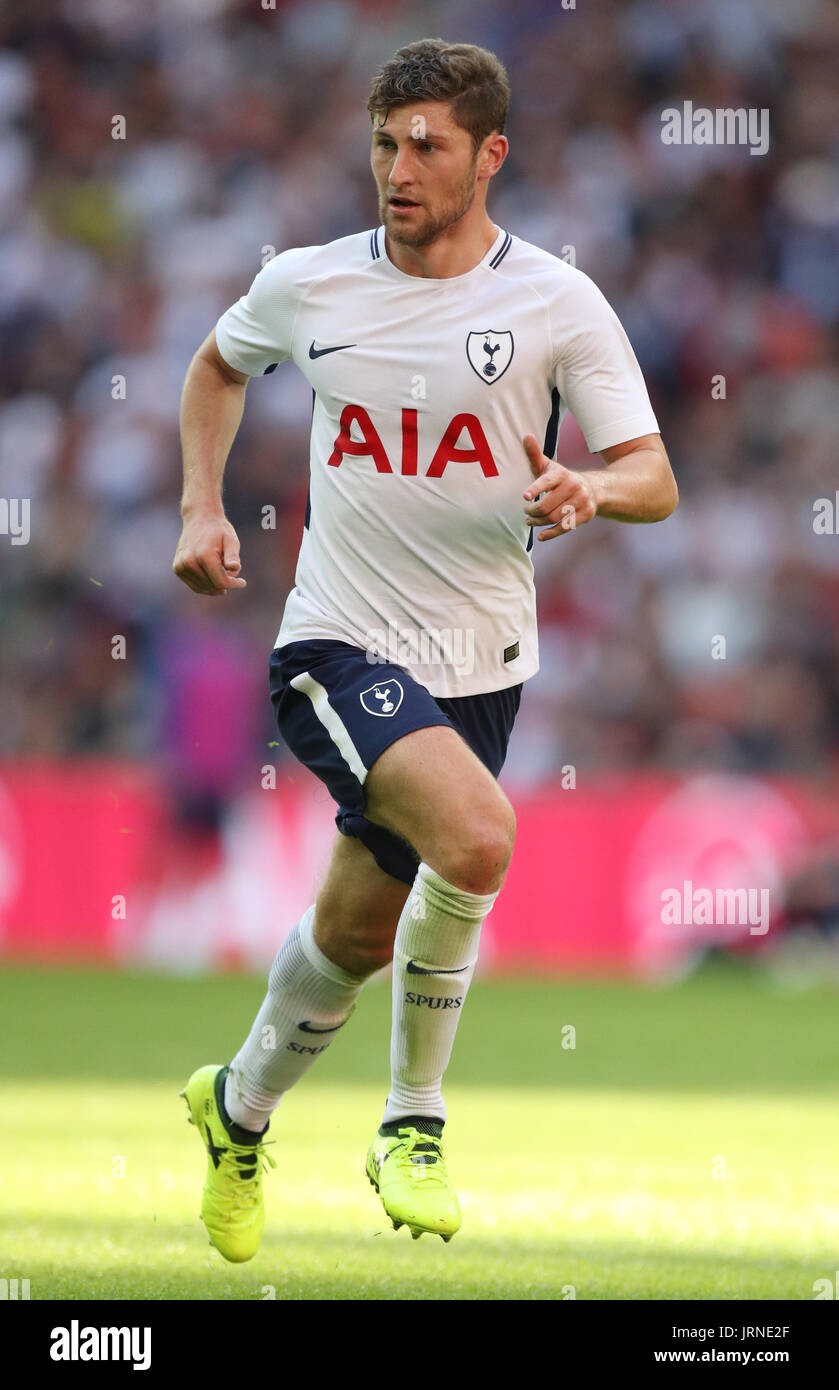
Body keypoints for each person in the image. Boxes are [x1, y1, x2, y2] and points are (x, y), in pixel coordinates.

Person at [173, 37, 678, 1261]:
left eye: (427, 147)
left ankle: (234, 1112)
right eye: (384, 144)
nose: (397, 169)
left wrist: (588, 493)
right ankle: (412, 1121)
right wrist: (200, 503)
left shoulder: (556, 302)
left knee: (353, 932)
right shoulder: (309, 283)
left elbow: (654, 477)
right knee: (479, 838)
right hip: (335, 641)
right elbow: (214, 367)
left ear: (488, 156)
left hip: (483, 663)